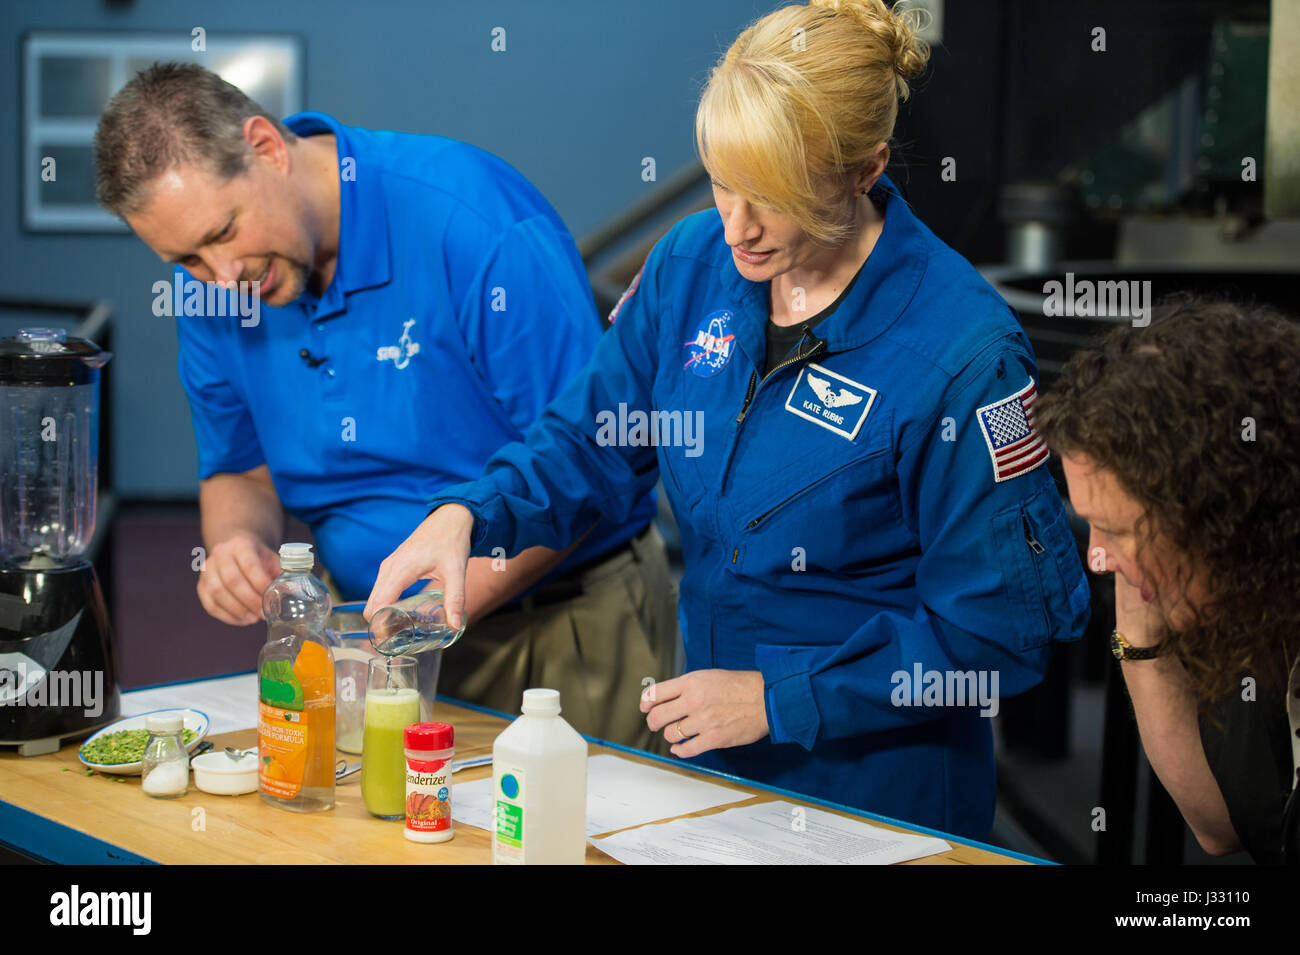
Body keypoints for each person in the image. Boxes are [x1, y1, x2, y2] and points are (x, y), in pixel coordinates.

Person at [366, 0, 1089, 840]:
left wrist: (781, 697)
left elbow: (999, 634)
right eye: (722, 181)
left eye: (774, 196)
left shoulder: (964, 355)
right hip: (709, 765)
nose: (737, 225)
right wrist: (472, 512)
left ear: (866, 170)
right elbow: (593, 439)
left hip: (879, 794)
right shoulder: (691, 263)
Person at [92, 63, 678, 751]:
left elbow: (599, 456)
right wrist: (234, 546)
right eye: (185, 259)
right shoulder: (216, 287)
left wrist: (421, 617)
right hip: (373, 634)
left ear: (267, 148)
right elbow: (239, 466)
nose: (220, 280)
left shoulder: (471, 222)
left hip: (561, 624)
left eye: (223, 233)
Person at [1037, 297, 1300, 865]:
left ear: (1214, 511)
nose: (1098, 560)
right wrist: (1140, 627)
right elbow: (1226, 826)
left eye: (1116, 529)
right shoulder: (1253, 600)